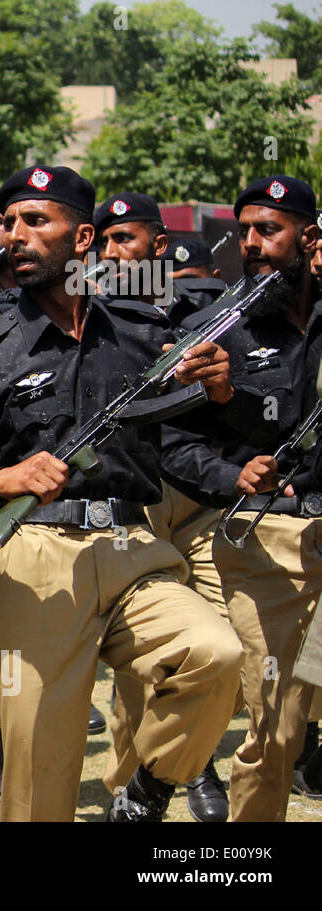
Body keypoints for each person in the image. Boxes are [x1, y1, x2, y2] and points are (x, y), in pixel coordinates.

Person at [0, 164, 244, 822]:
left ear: (83, 236)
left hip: (135, 545)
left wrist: (222, 393)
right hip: (34, 557)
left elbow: (197, 440)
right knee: (39, 779)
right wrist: (2, 479)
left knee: (213, 653)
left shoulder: (141, 334)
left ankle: (144, 793)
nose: (15, 235)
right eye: (9, 223)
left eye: (37, 221)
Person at [174, 176, 322, 821]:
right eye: (245, 232)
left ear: (309, 238)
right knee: (277, 731)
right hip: (271, 547)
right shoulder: (214, 330)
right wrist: (227, 476)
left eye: (271, 230)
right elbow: (174, 445)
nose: (254, 244)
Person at [93, 190, 233, 822]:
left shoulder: (202, 310)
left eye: (129, 237)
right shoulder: (88, 316)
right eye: (107, 239)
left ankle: (180, 762)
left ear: (159, 244)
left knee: (220, 636)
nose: (117, 249)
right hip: (135, 499)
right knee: (141, 658)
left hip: (201, 498)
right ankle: (151, 777)